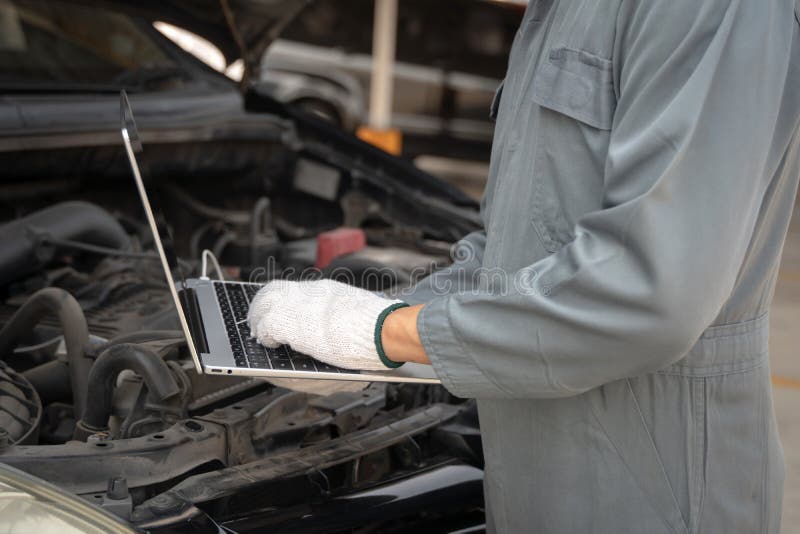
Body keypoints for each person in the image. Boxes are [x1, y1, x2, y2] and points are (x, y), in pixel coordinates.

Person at [248, 0, 800, 531]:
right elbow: (511, 252)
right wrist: (353, 331)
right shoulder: (553, 12)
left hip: (656, 483)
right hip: (531, 468)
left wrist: (387, 334)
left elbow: (649, 292)